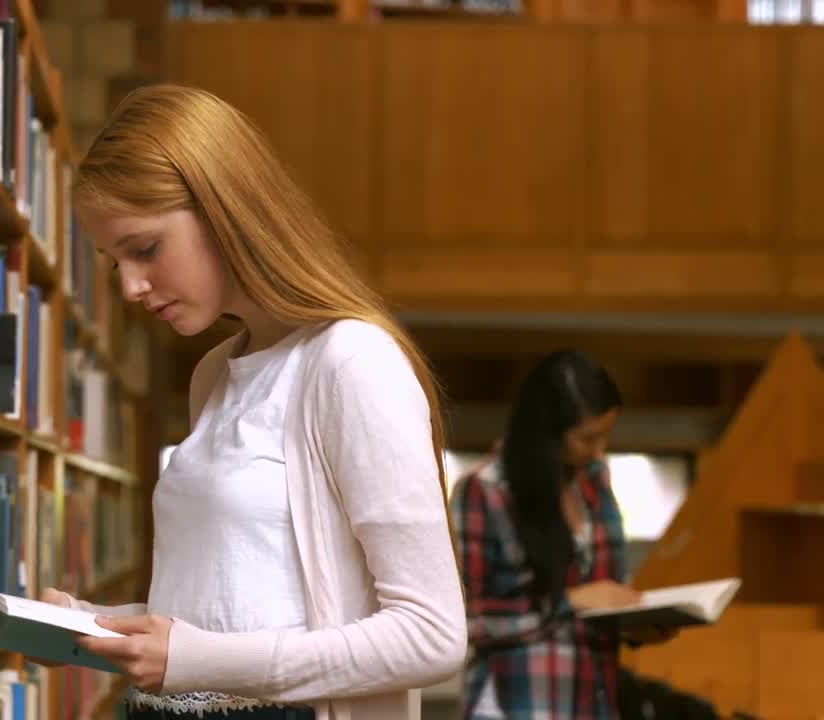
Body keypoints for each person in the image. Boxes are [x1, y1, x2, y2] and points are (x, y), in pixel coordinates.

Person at [37, 83, 467, 720]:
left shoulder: (350, 362)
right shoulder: (215, 374)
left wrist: (195, 660)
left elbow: (433, 636)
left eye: (145, 249)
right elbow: (228, 610)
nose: (129, 287)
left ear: (223, 210)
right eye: (112, 262)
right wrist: (97, 624)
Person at [449, 350, 672, 720]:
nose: (599, 450)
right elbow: (466, 621)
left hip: (593, 700)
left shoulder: (594, 482)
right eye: (588, 438)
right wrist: (572, 604)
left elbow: (608, 590)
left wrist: (636, 626)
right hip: (517, 704)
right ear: (548, 433)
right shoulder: (483, 491)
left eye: (605, 437)